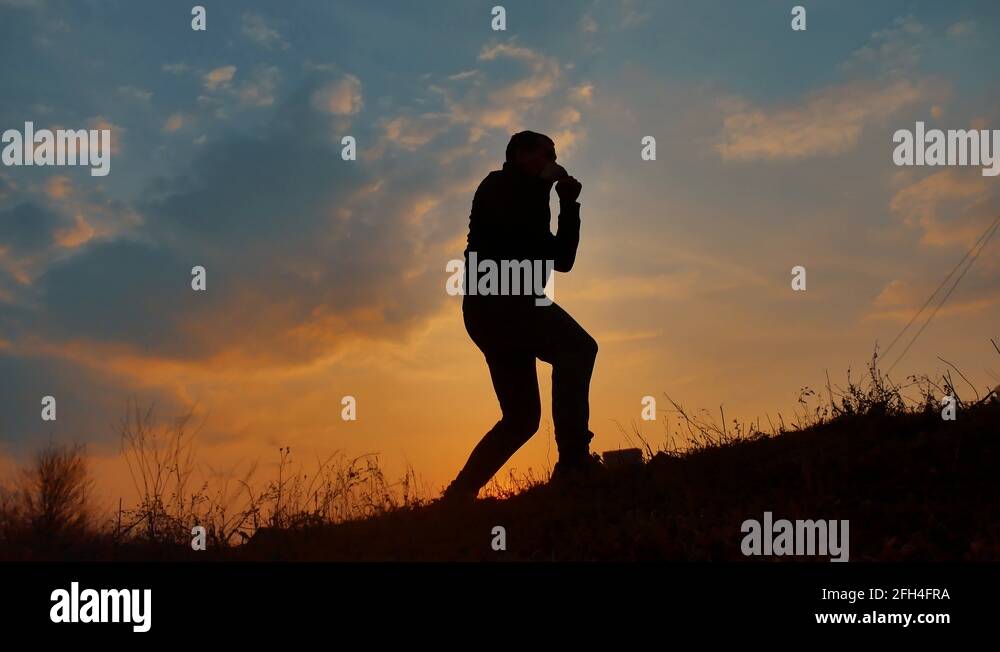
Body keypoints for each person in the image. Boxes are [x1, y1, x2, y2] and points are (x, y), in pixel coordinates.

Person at [443, 131, 601, 501]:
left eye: (554, 155)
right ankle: (574, 464)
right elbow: (512, 226)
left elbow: (562, 260)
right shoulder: (497, 186)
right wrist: (544, 187)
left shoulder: (535, 199)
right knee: (577, 349)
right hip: (499, 301)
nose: (553, 160)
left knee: (521, 419)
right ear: (518, 155)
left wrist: (569, 206)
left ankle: (458, 495)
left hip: (507, 307)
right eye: (546, 154)